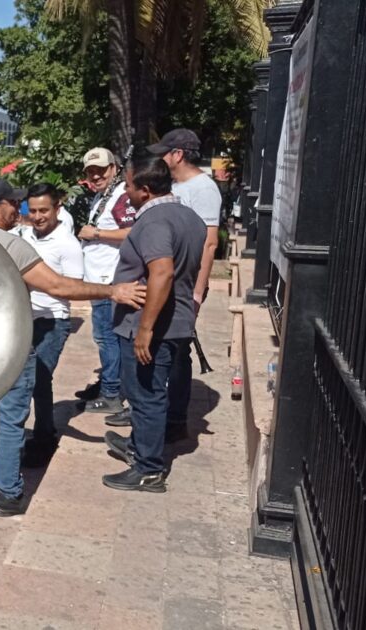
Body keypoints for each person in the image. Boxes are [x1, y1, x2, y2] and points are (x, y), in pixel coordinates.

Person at [0, 179, 144, 517]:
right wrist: (112, 292)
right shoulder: (12, 245)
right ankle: (8, 495)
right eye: (13, 203)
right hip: (11, 342)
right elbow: (57, 286)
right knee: (11, 420)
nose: (18, 210)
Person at [102, 155, 205, 492]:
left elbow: (162, 271)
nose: (125, 191)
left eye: (129, 186)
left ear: (144, 190)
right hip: (177, 322)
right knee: (148, 393)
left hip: (150, 326)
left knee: (145, 395)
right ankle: (139, 447)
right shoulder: (189, 217)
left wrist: (145, 329)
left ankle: (148, 469)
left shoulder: (155, 223)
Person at [150, 129, 223, 444]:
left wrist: (197, 292)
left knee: (178, 352)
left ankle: (175, 419)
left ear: (177, 154)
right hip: (168, 279)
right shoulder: (177, 186)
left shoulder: (203, 189)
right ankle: (153, 411)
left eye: (164, 153)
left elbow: (209, 244)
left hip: (184, 285)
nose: (161, 159)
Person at [17, 185, 85, 468]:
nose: (37, 216)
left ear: (58, 209)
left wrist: (42, 283)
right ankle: (27, 434)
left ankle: (45, 436)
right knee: (24, 382)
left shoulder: (67, 244)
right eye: (32, 211)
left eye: (43, 210)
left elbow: (76, 288)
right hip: (24, 319)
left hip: (53, 321)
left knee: (40, 380)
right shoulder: (23, 237)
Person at [76, 148, 136, 416]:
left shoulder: (122, 196)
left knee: (106, 338)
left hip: (107, 278)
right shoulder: (103, 196)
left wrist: (97, 232)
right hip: (98, 275)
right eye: (91, 171)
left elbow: (133, 231)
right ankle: (108, 383)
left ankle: (111, 392)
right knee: (104, 337)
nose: (96, 175)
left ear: (114, 168)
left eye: (101, 170)